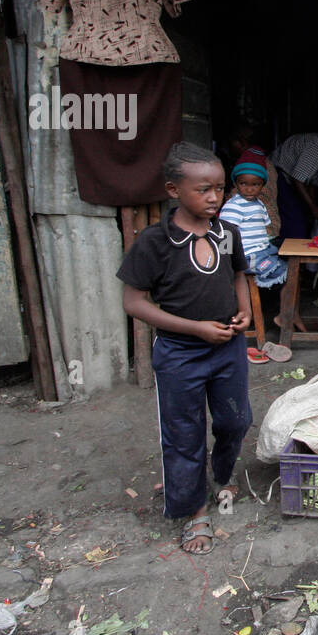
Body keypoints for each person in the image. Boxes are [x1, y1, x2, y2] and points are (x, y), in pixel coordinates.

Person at [118, 142, 253, 554]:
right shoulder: (154, 242)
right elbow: (134, 302)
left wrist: (245, 312)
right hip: (180, 353)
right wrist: (194, 328)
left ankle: (222, 473)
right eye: (203, 190)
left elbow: (237, 275)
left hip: (227, 347)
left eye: (219, 188)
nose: (214, 198)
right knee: (184, 432)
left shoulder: (227, 233)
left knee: (235, 420)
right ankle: (194, 510)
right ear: (173, 190)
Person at [220, 155, 288, 291]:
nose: (249, 189)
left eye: (255, 184)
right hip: (246, 255)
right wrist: (225, 259)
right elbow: (226, 232)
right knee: (283, 270)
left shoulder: (260, 204)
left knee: (288, 265)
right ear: (235, 183)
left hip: (261, 250)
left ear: (263, 185)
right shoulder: (234, 205)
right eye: (243, 184)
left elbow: (264, 228)